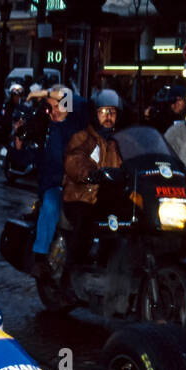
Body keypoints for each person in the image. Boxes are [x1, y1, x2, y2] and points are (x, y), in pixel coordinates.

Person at [60, 88, 123, 267]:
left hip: (107, 197)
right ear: (95, 115)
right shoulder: (84, 137)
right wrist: (87, 174)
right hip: (81, 195)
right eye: (103, 112)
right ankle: (71, 273)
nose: (108, 116)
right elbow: (74, 159)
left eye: (113, 112)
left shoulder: (118, 142)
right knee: (85, 224)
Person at [30, 86, 87, 276]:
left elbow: (70, 97)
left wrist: (43, 93)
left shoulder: (76, 123)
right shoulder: (47, 126)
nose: (54, 111)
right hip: (55, 184)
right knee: (51, 205)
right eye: (51, 107)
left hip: (79, 183)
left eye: (58, 106)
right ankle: (40, 255)